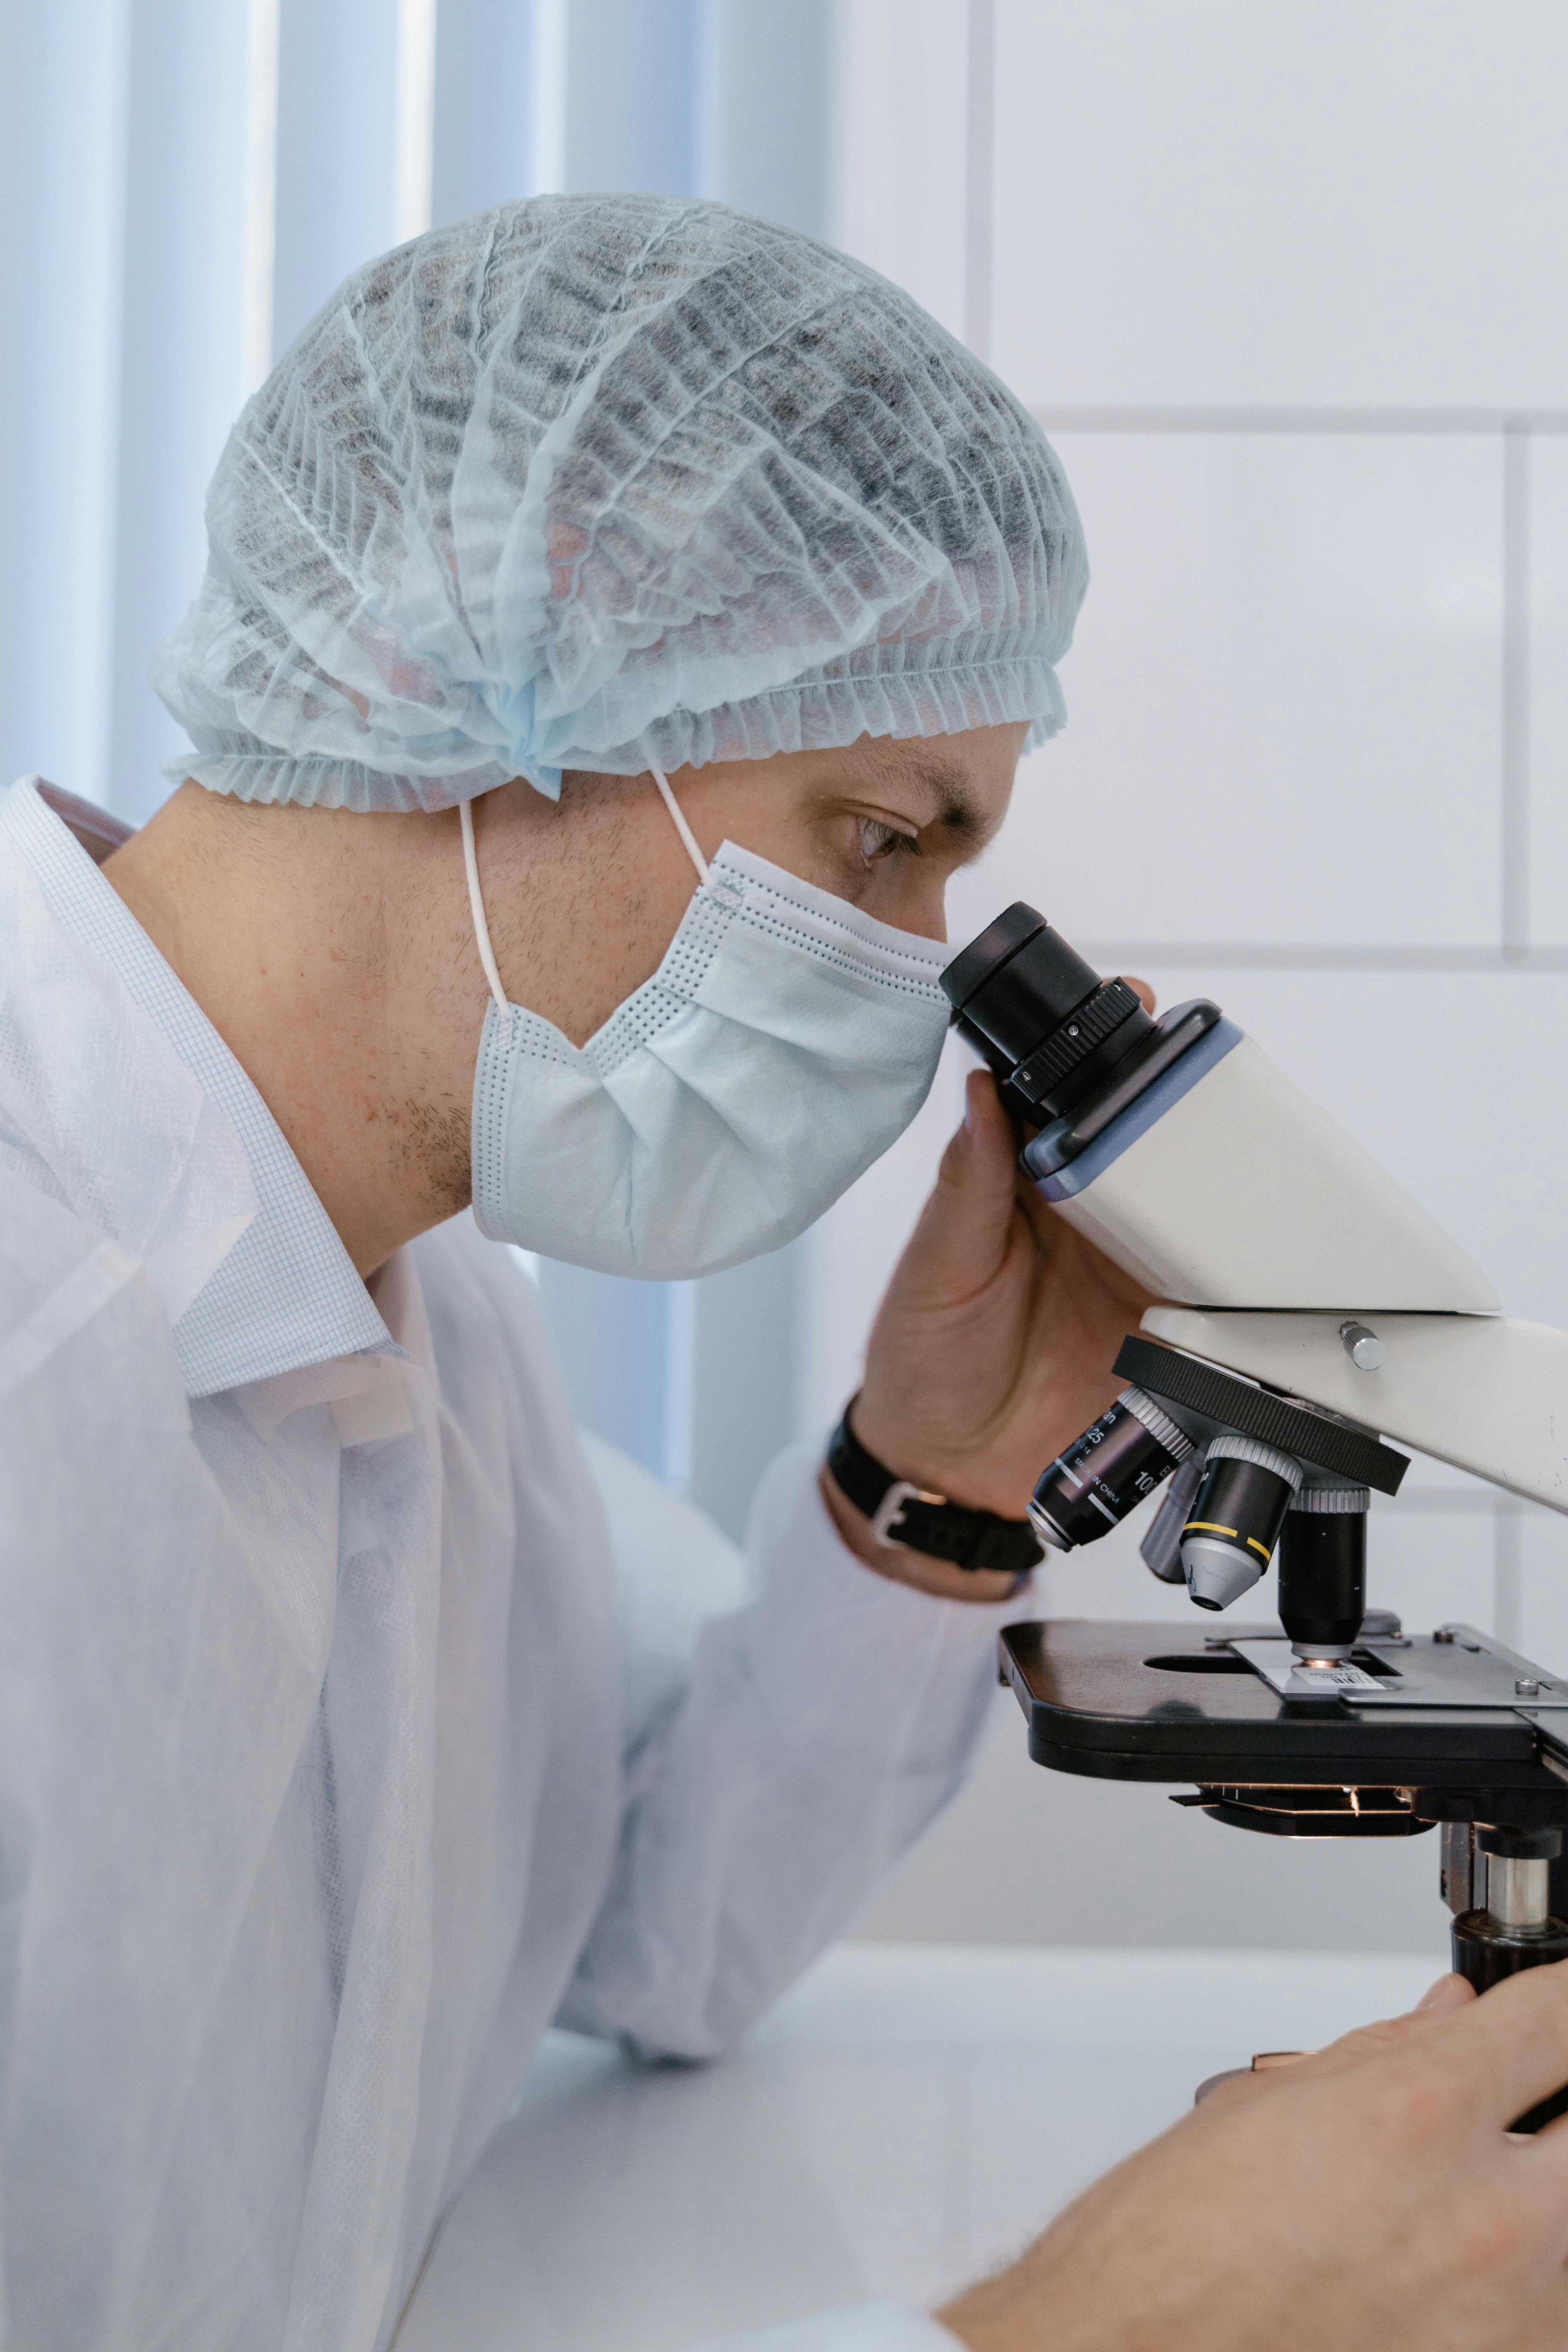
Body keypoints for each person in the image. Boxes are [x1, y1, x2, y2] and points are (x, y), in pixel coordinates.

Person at [3, 193, 1566, 2352]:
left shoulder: (416, 1314)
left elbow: (640, 1928)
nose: (915, 972)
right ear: (518, 651)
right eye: (880, 835)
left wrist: (931, 1485)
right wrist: (1103, 2329)